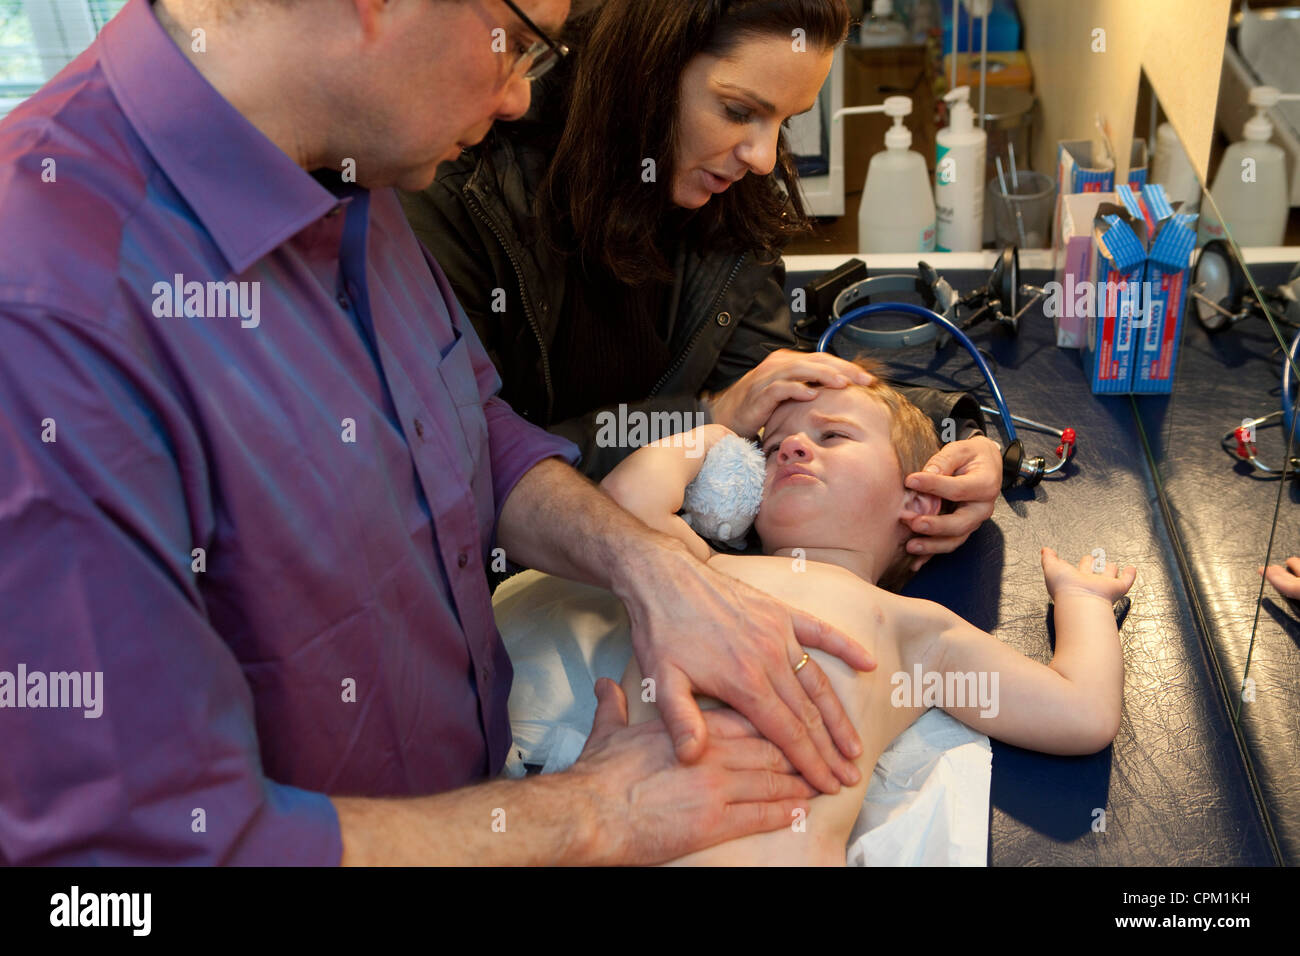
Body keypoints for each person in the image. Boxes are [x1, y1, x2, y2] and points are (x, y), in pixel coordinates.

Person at [0, 0, 880, 866]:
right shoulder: (45, 307)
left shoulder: (356, 162)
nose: (520, 100)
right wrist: (588, 814)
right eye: (521, 46)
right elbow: (128, 856)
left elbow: (464, 425)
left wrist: (643, 564)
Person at [401, 0, 1004, 575]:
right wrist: (704, 415)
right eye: (740, 111)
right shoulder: (458, 194)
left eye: (784, 121)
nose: (765, 158)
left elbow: (770, 391)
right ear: (646, 71)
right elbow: (468, 468)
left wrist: (945, 442)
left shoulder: (727, 194)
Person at [598, 356, 1136, 864]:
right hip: (602, 831)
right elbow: (621, 503)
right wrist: (721, 433)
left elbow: (1081, 712)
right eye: (767, 449)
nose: (790, 450)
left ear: (917, 501)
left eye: (831, 435)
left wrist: (1082, 600)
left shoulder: (912, 631)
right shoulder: (694, 564)